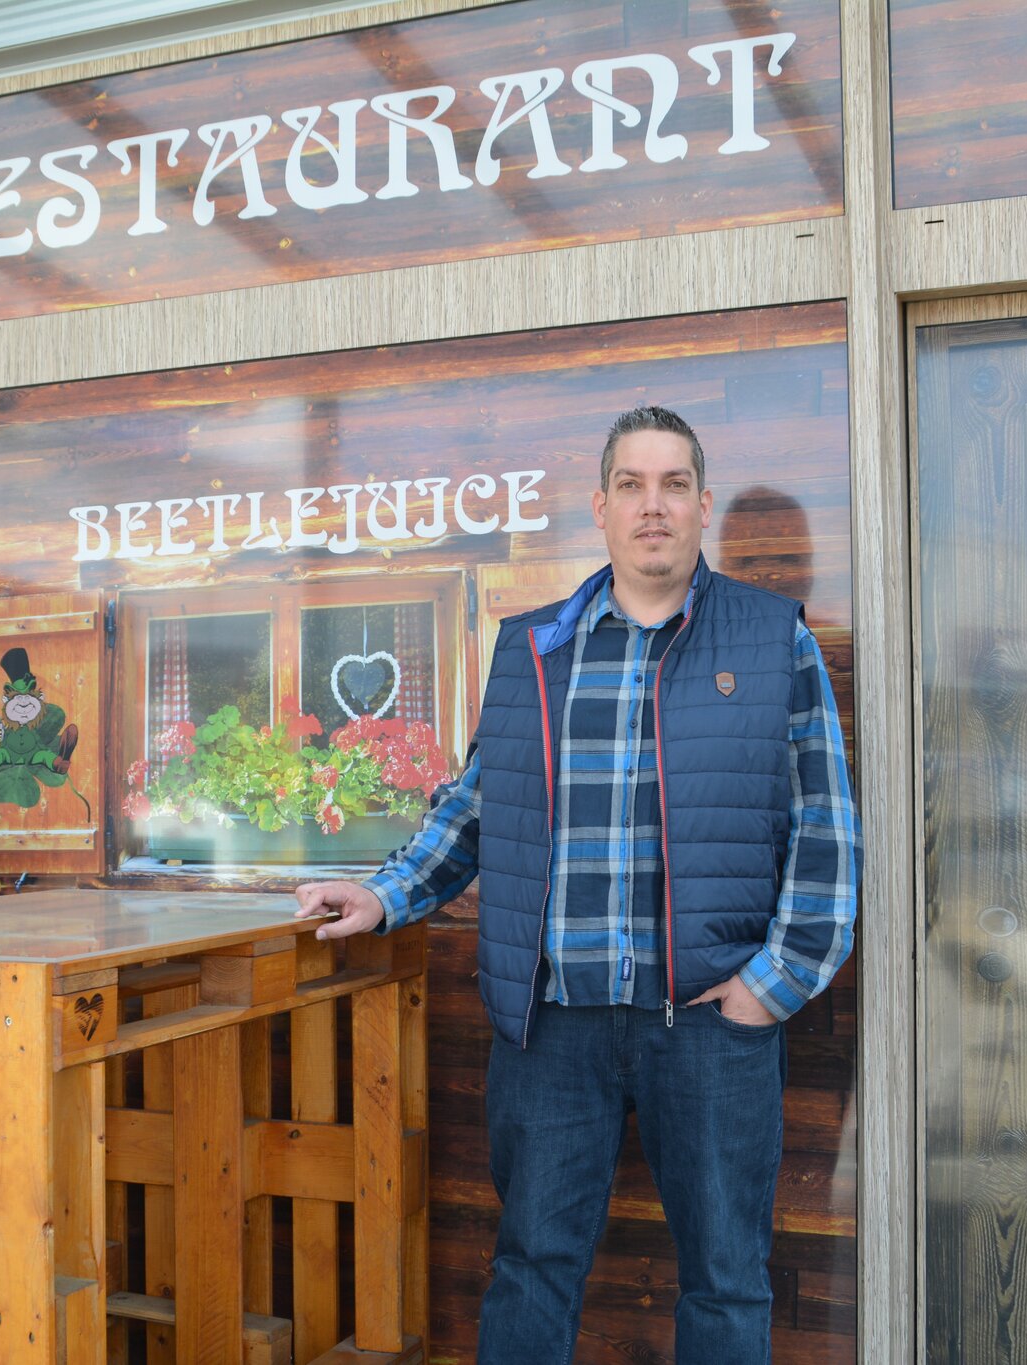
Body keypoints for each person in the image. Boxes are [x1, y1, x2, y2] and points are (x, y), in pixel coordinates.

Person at [294, 405, 859, 1364]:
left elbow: (825, 829)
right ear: (601, 507)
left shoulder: (774, 640)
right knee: (531, 1268)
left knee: (726, 1282)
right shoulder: (536, 647)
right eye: (632, 485)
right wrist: (386, 894)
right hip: (551, 1027)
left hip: (709, 1027)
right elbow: (479, 805)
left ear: (703, 505)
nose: (653, 505)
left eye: (674, 484)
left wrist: (771, 986)